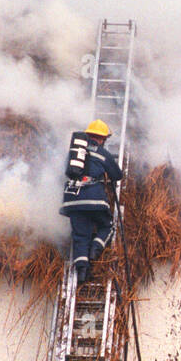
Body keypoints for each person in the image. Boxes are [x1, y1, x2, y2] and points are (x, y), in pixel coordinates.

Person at [60, 119, 122, 284]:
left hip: (72, 200)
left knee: (80, 236)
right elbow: (118, 175)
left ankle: (82, 272)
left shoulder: (74, 153)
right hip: (94, 198)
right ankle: (96, 248)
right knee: (107, 225)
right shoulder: (103, 153)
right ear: (102, 139)